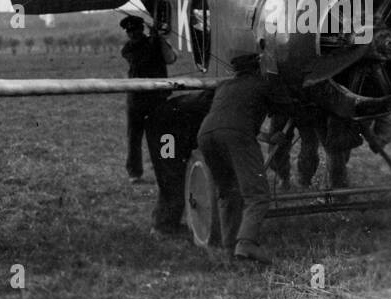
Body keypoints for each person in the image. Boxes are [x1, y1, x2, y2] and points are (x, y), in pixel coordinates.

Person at [196, 53, 293, 264]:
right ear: (257, 67)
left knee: (227, 192)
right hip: (236, 134)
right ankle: (246, 244)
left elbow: (232, 116)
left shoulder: (224, 86)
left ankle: (229, 249)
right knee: (257, 194)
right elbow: (286, 107)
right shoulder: (262, 84)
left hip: (206, 134)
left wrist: (268, 137)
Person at [144, 90, 216, 234]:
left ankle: (165, 221)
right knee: (171, 175)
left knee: (173, 174)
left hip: (174, 127)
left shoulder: (212, 102)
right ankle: (162, 227)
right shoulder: (213, 105)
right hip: (166, 132)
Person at [120, 14, 176, 183]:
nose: (132, 34)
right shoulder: (127, 49)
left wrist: (159, 39)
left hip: (157, 97)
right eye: (129, 31)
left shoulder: (155, 42)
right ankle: (134, 173)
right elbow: (140, 60)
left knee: (165, 134)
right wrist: (154, 40)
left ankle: (169, 167)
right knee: (134, 137)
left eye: (135, 30)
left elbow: (171, 58)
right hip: (136, 98)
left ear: (141, 29)